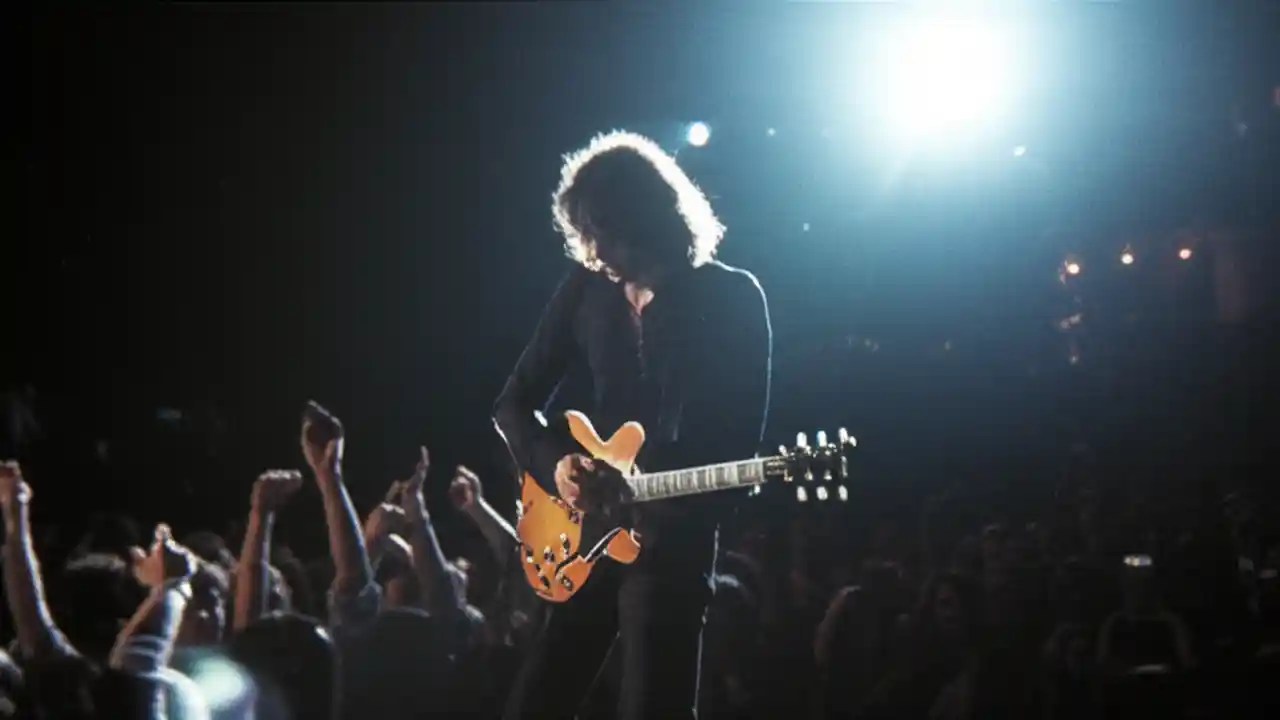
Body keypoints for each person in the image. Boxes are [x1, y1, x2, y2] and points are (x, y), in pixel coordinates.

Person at [493, 130, 772, 720]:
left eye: (600, 229)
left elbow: (736, 452)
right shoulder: (585, 291)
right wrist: (559, 467)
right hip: (579, 530)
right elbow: (513, 403)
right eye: (585, 232)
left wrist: (645, 492)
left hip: (672, 541)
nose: (592, 249)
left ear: (641, 217)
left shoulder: (732, 299)